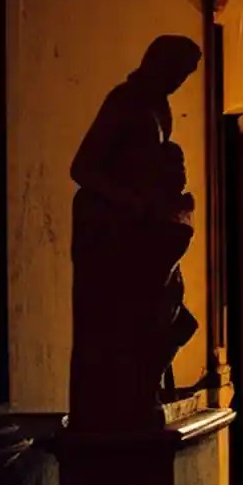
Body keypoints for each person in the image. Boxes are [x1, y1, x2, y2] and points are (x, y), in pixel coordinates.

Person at [70, 35, 202, 428]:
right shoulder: (124, 102)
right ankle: (117, 406)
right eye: (178, 71)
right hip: (113, 235)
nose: (180, 81)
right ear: (159, 63)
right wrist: (132, 201)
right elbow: (83, 169)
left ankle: (140, 394)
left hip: (147, 231)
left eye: (186, 75)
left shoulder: (159, 107)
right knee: (119, 325)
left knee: (166, 319)